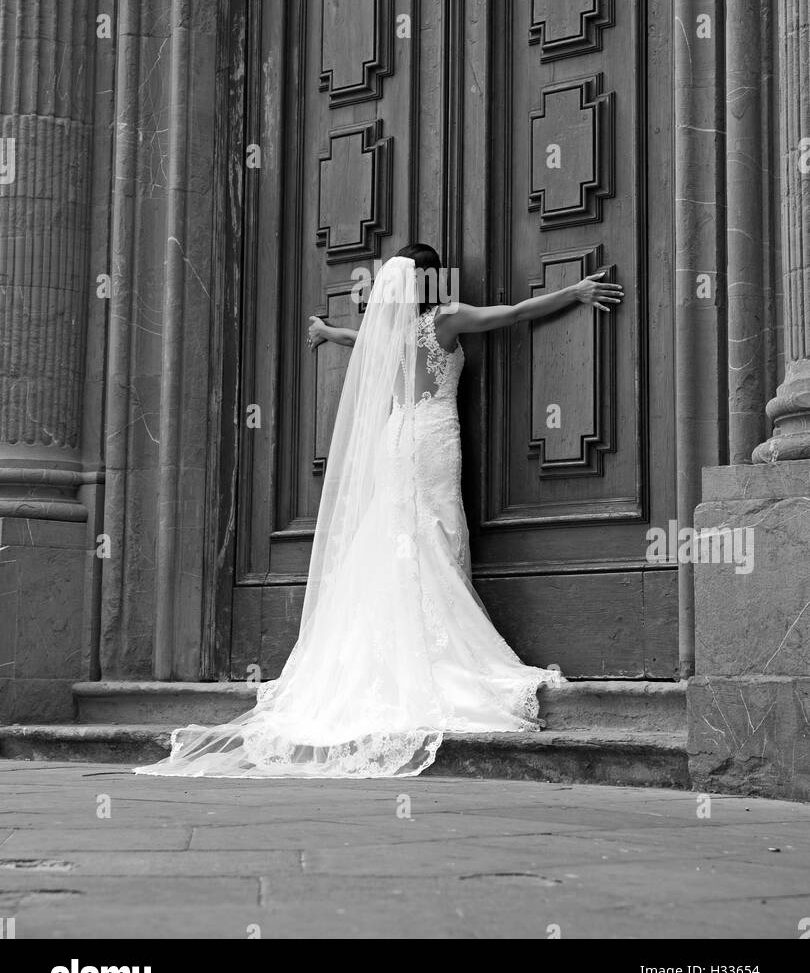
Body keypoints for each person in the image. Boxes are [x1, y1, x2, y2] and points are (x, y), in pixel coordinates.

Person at [136, 245, 623, 780]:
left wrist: (325, 332)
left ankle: (382, 656)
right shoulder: (446, 317)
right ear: (433, 279)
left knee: (398, 533)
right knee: (431, 531)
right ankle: (430, 652)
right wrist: (574, 292)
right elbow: (511, 315)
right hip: (433, 435)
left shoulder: (385, 333)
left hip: (397, 439)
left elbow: (355, 341)